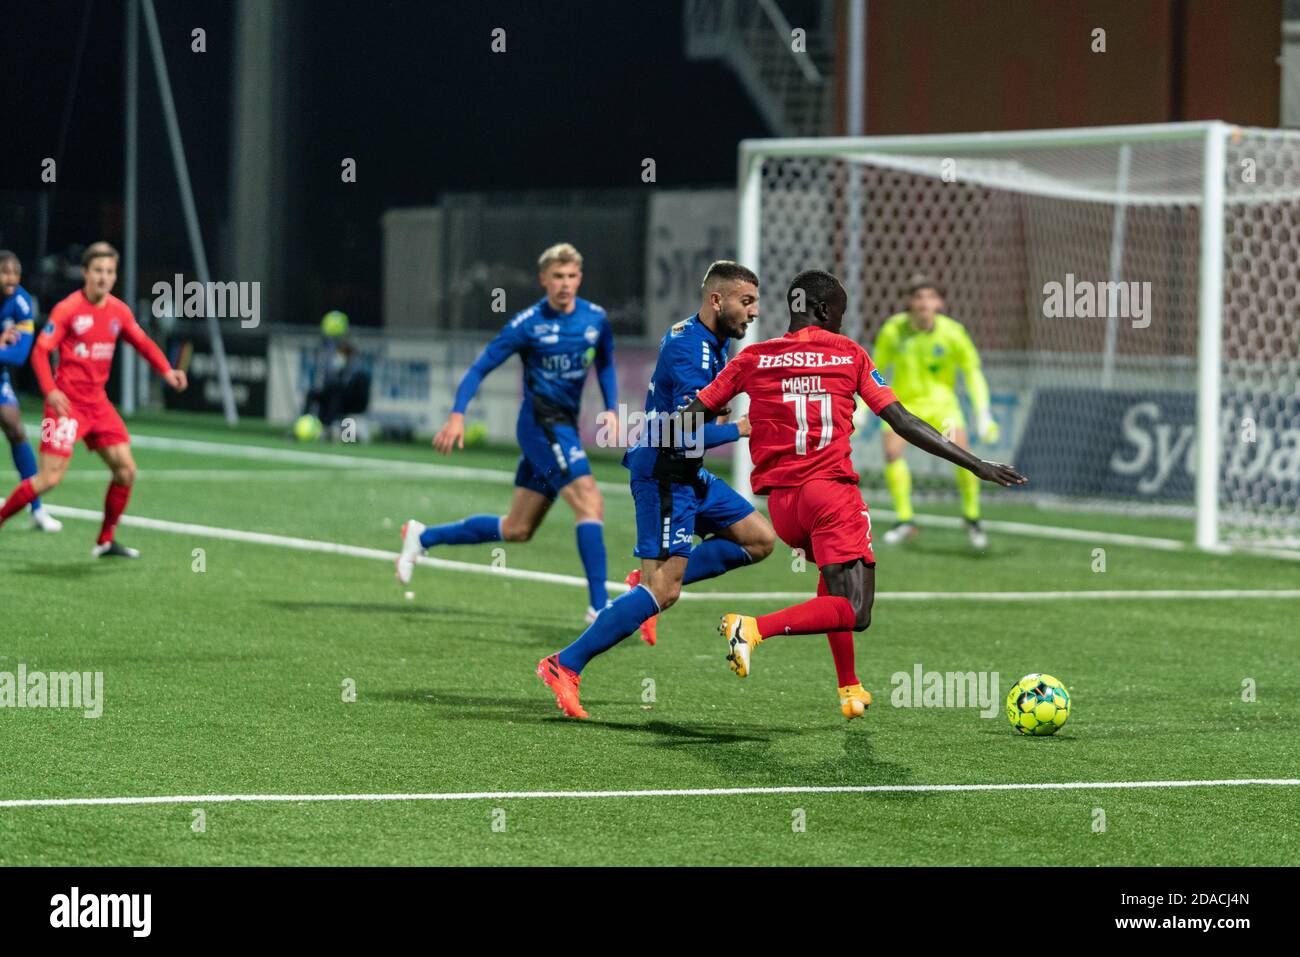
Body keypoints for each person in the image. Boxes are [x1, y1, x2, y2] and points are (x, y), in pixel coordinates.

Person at [677, 270, 1026, 717]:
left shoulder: (753, 358)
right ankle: (752, 628)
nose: (842, 320)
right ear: (823, 309)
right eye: (839, 311)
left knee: (831, 585)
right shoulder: (849, 354)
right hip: (831, 498)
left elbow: (688, 417)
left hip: (783, 509)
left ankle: (850, 687)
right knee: (855, 611)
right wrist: (975, 463)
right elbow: (903, 422)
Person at [536, 260, 776, 719]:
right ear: (717, 300)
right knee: (664, 592)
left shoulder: (707, 340)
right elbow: (679, 430)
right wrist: (741, 429)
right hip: (665, 474)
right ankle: (563, 664)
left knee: (759, 538)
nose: (754, 312)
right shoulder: (693, 351)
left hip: (688, 473)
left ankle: (639, 588)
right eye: (746, 302)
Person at [395, 243, 617, 622]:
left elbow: (607, 364)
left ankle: (422, 536)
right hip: (540, 426)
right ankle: (599, 607)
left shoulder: (596, 319)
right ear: (543, 280)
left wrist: (612, 409)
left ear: (580, 278)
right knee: (590, 503)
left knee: (517, 529)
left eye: (571, 276)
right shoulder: (527, 324)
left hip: (562, 427)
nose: (565, 284)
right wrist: (456, 414)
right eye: (557, 277)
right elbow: (480, 367)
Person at [0, 242, 189, 556]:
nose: (104, 277)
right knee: (48, 479)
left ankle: (105, 540)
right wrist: (51, 391)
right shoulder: (68, 309)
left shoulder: (118, 311)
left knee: (126, 471)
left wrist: (166, 370)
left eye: (110, 272)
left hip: (98, 405)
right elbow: (41, 351)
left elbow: (141, 342)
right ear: (86, 273)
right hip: (64, 406)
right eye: (98, 271)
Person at [868, 277, 1000, 549]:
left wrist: (983, 414)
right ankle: (905, 519)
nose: (924, 303)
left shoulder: (953, 332)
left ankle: (972, 516)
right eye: (918, 297)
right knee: (892, 453)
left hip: (943, 407)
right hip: (903, 405)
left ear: (939, 302)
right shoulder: (894, 330)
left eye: (930, 296)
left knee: (963, 455)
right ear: (910, 302)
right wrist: (859, 408)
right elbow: (874, 369)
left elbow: (972, 373)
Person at [0, 250, 61, 530]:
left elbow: (19, 354)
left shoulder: (22, 303)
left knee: (14, 427)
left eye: (15, 272)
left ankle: (36, 508)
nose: (11, 278)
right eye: (4, 272)